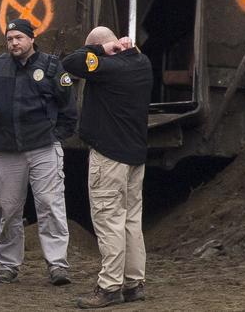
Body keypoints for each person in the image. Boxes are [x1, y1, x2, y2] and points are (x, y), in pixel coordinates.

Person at [0, 17, 77, 286]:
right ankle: (7, 266)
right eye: (10, 39)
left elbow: (68, 105)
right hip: (7, 149)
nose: (14, 43)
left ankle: (57, 265)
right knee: (8, 208)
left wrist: (57, 136)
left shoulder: (51, 66)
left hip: (43, 147)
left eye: (19, 38)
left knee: (50, 205)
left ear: (32, 38)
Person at [61, 27, 153, 309]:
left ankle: (110, 286)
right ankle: (134, 283)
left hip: (109, 158)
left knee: (109, 220)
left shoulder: (108, 68)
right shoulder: (142, 63)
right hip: (135, 156)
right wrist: (118, 47)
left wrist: (100, 50)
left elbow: (71, 62)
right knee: (131, 221)